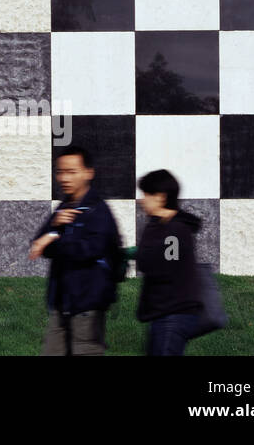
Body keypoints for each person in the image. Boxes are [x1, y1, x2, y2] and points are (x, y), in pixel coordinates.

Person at [30, 145, 121, 355]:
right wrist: (54, 228)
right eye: (60, 172)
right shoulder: (63, 207)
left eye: (71, 172)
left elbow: (89, 250)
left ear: (89, 173)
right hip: (62, 302)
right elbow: (40, 244)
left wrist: (53, 238)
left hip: (87, 305)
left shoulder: (98, 211)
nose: (64, 178)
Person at [135, 169, 203, 355]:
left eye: (146, 194)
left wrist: (144, 251)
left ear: (160, 197)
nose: (142, 200)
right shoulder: (165, 225)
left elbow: (165, 266)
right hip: (166, 314)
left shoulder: (173, 230)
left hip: (172, 314)